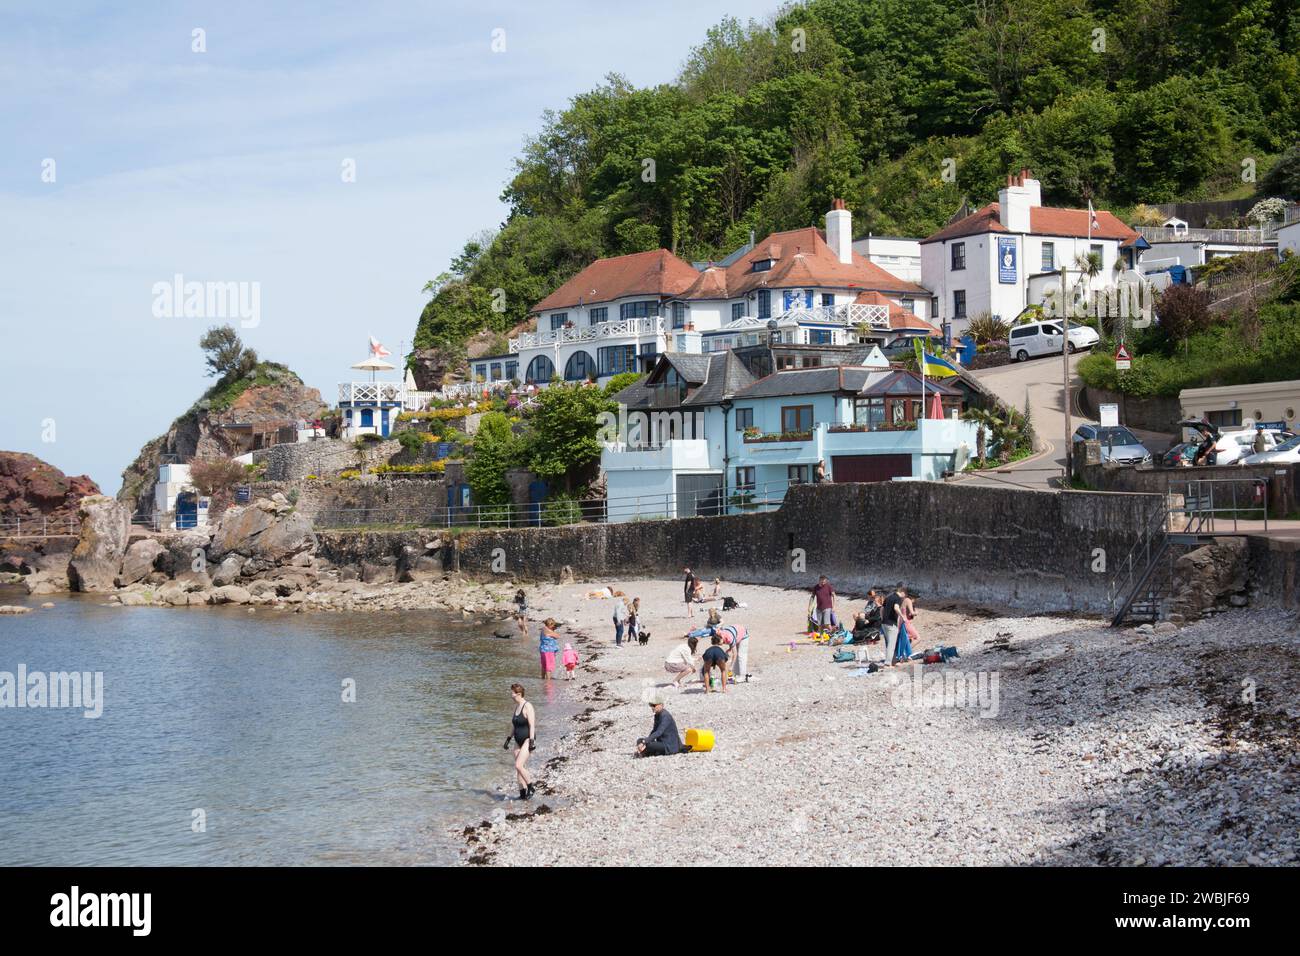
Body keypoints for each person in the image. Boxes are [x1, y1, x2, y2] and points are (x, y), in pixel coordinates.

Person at [503, 683, 536, 799]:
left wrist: (532, 741)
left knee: (518, 765)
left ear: (518, 694)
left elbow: (532, 725)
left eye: (512, 693)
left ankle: (531, 786)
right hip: (517, 740)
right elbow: (514, 725)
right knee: (518, 769)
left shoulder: (528, 706)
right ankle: (522, 793)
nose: (511, 695)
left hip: (527, 739)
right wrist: (508, 738)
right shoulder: (516, 707)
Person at [880, 585, 906, 667]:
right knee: (891, 644)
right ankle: (888, 663)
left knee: (889, 643)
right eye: (905, 594)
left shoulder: (888, 597)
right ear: (902, 592)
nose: (904, 596)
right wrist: (902, 617)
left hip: (884, 623)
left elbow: (881, 609)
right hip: (891, 623)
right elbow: (896, 608)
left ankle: (893, 660)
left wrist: (882, 618)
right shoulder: (898, 598)